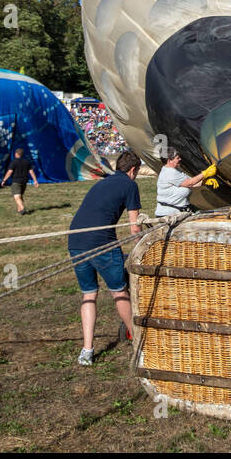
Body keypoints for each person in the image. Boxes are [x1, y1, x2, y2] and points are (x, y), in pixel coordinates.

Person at [69, 150, 142, 365]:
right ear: (133, 170)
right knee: (119, 290)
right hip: (100, 242)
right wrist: (143, 247)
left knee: (89, 294)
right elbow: (134, 227)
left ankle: (87, 351)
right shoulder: (130, 185)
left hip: (75, 241)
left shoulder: (102, 182)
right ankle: (138, 340)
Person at [154, 147, 215, 216]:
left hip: (180, 211)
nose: (180, 159)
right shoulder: (170, 172)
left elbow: (190, 183)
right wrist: (205, 173)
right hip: (168, 215)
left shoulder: (176, 170)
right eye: (177, 158)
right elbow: (189, 183)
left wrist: (204, 182)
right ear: (169, 160)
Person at [1, 147, 38, 215]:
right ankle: (19, 210)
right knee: (20, 196)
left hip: (16, 182)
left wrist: (4, 180)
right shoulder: (27, 162)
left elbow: (9, 172)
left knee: (17, 197)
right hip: (24, 181)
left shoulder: (14, 162)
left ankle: (23, 208)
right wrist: (35, 181)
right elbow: (31, 171)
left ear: (16, 154)